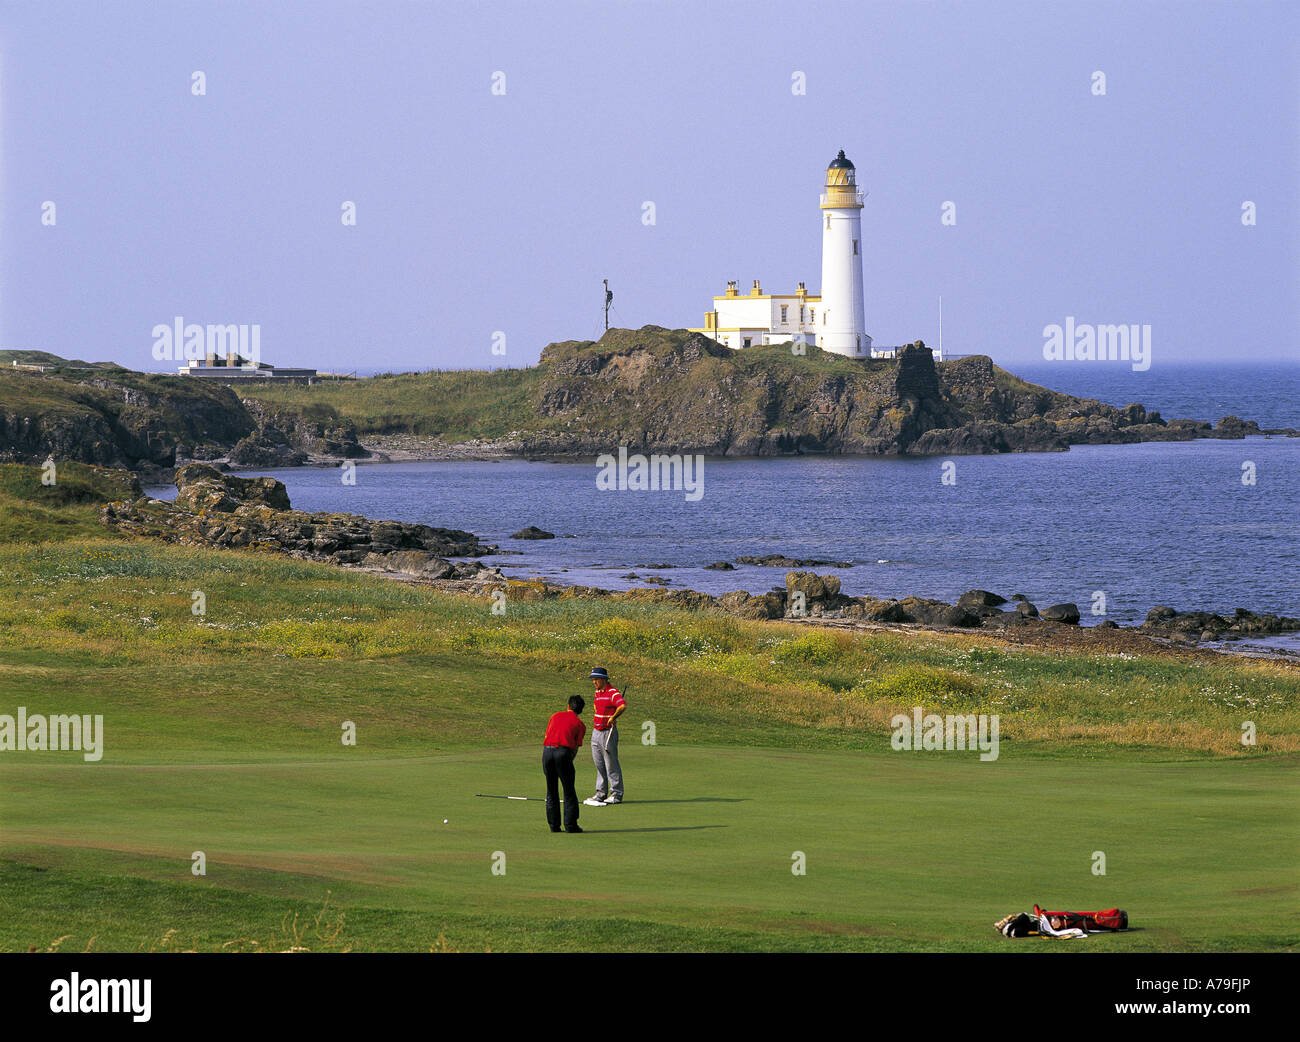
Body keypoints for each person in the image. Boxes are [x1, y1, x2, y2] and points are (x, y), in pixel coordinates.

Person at [542, 695, 587, 833]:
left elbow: (546, 736)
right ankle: (570, 825)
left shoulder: (555, 716)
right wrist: (567, 762)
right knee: (568, 790)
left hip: (547, 752)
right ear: (580, 710)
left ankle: (554, 825)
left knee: (551, 790)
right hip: (563, 753)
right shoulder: (580, 724)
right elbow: (575, 747)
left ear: (568, 706)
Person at [584, 667, 626, 806]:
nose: (594, 682)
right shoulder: (597, 692)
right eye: (593, 679)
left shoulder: (612, 692)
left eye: (596, 679)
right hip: (596, 731)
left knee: (611, 764)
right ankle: (600, 793)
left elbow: (622, 706)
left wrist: (613, 717)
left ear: (603, 679)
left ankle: (616, 794)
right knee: (599, 763)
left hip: (608, 732)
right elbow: (597, 707)